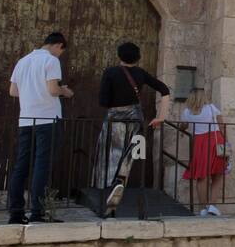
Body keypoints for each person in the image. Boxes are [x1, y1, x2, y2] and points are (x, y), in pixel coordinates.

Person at [7, 33, 72, 224]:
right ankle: (37, 212)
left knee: (21, 166)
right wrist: (65, 91)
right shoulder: (51, 61)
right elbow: (53, 90)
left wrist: (32, 94)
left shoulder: (23, 61)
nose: (60, 55)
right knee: (42, 165)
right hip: (48, 119)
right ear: (59, 45)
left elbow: (13, 91)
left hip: (26, 120)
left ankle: (16, 213)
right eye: (61, 51)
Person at [95, 42, 170, 202]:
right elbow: (164, 89)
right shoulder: (140, 73)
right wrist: (161, 117)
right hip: (135, 119)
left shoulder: (110, 72)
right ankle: (120, 183)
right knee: (130, 154)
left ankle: (108, 188)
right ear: (138, 57)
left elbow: (103, 101)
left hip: (115, 118)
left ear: (119, 55)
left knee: (111, 153)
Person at [179, 87, 227, 216]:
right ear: (203, 96)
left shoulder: (187, 112)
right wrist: (226, 142)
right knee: (218, 174)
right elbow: (222, 125)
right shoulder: (211, 108)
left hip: (199, 143)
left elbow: (182, 126)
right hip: (215, 141)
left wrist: (183, 127)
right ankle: (212, 205)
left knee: (201, 176)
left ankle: (203, 208)